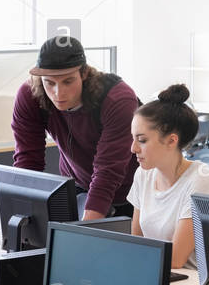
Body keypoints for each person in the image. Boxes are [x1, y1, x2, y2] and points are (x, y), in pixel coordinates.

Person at [11, 35, 139, 220]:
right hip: (78, 185)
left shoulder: (117, 99)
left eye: (68, 81)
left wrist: (84, 234)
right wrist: (23, 222)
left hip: (131, 192)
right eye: (50, 82)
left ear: (84, 73)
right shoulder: (30, 95)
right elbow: (28, 162)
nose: (58, 93)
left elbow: (108, 172)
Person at [128, 84, 209, 268]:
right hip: (152, 273)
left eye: (142, 140)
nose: (133, 148)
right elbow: (135, 243)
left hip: (186, 284)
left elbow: (176, 259)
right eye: (133, 139)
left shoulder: (201, 178)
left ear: (171, 140)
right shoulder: (143, 175)